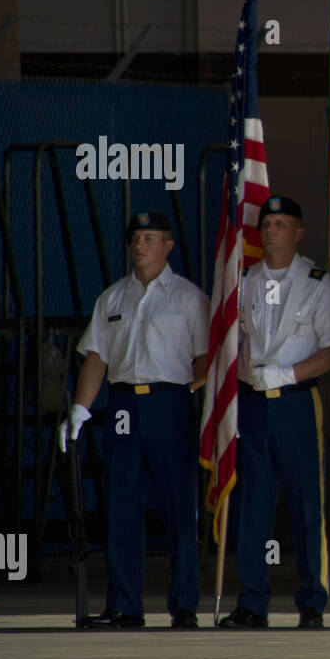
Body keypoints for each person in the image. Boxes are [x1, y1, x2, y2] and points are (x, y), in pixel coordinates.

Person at [59, 211, 209, 628]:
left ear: (168, 245)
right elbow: (97, 359)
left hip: (171, 401)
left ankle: (184, 605)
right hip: (125, 404)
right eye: (135, 239)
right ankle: (125, 604)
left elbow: (205, 359)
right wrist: (80, 410)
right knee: (122, 504)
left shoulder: (189, 298)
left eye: (149, 237)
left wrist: (191, 396)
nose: (140, 245)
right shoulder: (112, 298)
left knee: (179, 507)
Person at [218, 196, 330, 630]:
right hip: (253, 404)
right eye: (267, 223)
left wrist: (289, 373)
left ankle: (312, 600)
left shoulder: (317, 283)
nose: (271, 230)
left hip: (295, 404)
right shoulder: (245, 279)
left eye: (281, 223)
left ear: (298, 232)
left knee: (307, 503)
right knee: (252, 505)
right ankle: (252, 601)